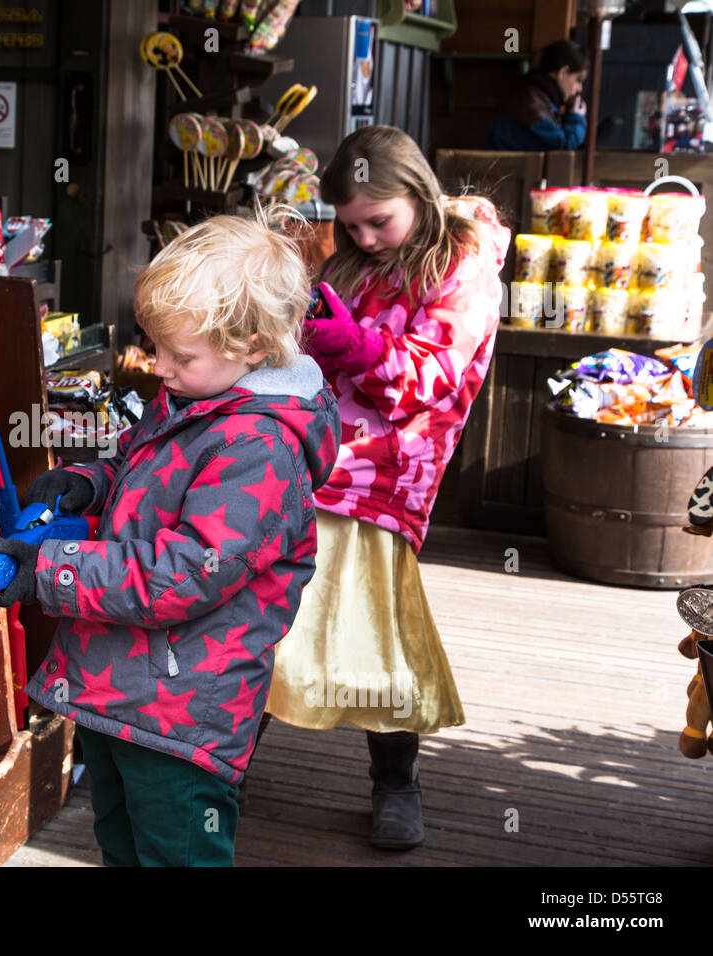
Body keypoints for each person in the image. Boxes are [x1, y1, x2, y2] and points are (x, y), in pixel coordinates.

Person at [0, 212, 340, 866]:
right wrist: (90, 484)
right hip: (125, 688)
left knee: (178, 850)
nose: (159, 368)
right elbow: (139, 464)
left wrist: (47, 571)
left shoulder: (257, 448)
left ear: (255, 347)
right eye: (155, 347)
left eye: (179, 355)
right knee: (120, 839)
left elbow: (180, 577)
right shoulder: (196, 399)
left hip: (182, 709)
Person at [264, 124, 510, 849]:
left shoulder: (464, 265)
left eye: (380, 220)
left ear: (419, 193)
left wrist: (350, 343)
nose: (366, 237)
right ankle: (220, 766)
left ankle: (394, 779)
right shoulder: (352, 263)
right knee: (268, 611)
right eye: (351, 225)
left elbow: (431, 378)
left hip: (389, 469)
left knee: (372, 632)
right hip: (313, 458)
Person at [485, 39, 587, 151]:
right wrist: (576, 118)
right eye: (579, 80)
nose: (579, 88)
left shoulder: (536, 96)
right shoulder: (531, 103)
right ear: (563, 73)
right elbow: (562, 148)